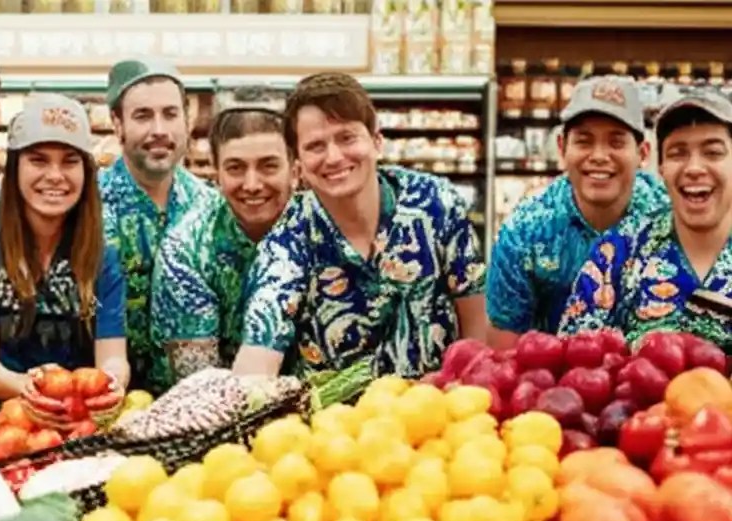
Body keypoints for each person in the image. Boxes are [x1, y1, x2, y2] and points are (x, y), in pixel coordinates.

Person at [234, 72, 488, 378]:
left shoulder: (435, 203)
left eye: (347, 137)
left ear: (376, 141)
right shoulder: (289, 241)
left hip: (436, 412)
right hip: (336, 422)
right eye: (315, 146)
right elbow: (258, 354)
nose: (334, 157)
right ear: (297, 164)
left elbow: (478, 326)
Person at [0, 94, 130, 407]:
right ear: (14, 169)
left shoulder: (101, 257)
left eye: (70, 161)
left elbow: (112, 357)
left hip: (79, 417)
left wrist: (109, 384)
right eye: (38, 160)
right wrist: (37, 390)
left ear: (87, 172)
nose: (55, 175)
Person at [487, 76, 668, 346]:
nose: (599, 156)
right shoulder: (526, 231)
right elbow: (504, 347)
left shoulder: (670, 220)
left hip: (657, 380)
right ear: (562, 148)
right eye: (584, 141)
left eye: (616, 142)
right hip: (553, 383)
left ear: (643, 153)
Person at [153, 86, 303, 380]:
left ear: (295, 170)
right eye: (235, 168)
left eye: (268, 166)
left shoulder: (320, 231)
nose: (252, 184)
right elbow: (196, 381)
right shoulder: (185, 248)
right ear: (217, 174)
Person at [560, 92, 732, 349]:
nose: (694, 168)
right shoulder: (618, 254)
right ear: (661, 168)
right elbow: (576, 359)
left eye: (713, 152)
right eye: (677, 153)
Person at [99, 58, 217, 394]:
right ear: (117, 124)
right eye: (142, 116)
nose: (159, 130)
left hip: (195, 405)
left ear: (186, 120)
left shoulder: (212, 207)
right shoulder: (86, 208)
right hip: (103, 403)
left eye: (170, 114)